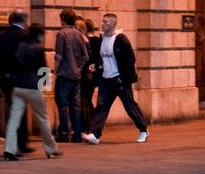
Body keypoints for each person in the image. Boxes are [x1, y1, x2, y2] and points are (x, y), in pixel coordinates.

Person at [82, 14, 148, 144]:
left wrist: (122, 78)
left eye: (106, 22)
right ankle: (95, 135)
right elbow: (99, 59)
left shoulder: (121, 39)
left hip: (119, 79)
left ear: (113, 24)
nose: (102, 23)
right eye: (102, 21)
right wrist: (98, 73)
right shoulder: (102, 39)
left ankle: (143, 130)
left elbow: (130, 59)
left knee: (129, 106)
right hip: (105, 79)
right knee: (102, 107)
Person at [4, 24, 61, 161]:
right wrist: (46, 88)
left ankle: (9, 149)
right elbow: (43, 69)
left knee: (14, 120)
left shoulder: (20, 46)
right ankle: (50, 148)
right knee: (43, 118)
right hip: (34, 87)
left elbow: (14, 65)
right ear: (39, 35)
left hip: (18, 87)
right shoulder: (38, 48)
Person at [0, 11, 32, 155]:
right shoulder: (25, 36)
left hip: (6, 79)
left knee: (14, 110)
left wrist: (3, 71)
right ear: (24, 20)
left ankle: (20, 143)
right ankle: (18, 145)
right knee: (20, 112)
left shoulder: (1, 36)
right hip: (22, 80)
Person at [54, 9, 88, 143]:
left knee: (62, 103)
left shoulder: (61, 34)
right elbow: (85, 56)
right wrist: (78, 68)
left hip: (64, 74)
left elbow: (59, 56)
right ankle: (77, 134)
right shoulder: (79, 34)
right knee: (76, 104)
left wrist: (55, 70)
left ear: (62, 19)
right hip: (76, 75)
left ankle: (64, 133)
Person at [77, 18, 97, 134]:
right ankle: (93, 124)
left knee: (84, 101)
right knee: (88, 101)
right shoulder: (92, 40)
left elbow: (86, 59)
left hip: (85, 75)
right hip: (91, 75)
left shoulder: (84, 41)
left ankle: (87, 127)